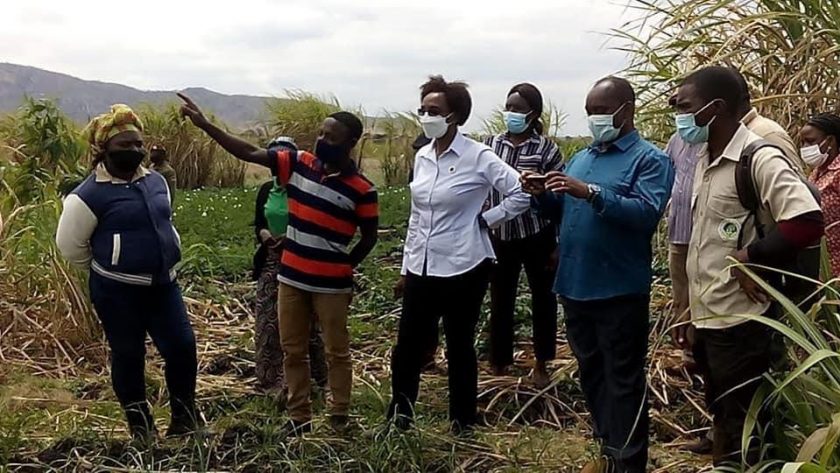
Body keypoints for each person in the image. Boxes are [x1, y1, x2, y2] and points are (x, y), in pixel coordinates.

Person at [178, 93, 378, 435]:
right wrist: (205, 125)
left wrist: (345, 265)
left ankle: (339, 416)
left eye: (331, 137)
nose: (321, 140)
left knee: (336, 351)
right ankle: (299, 416)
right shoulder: (298, 164)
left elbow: (369, 237)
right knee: (293, 350)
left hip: (331, 285)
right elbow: (247, 152)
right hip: (291, 279)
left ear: (351, 143)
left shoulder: (362, 189)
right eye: (320, 133)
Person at [522, 77, 674, 473]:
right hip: (576, 285)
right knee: (591, 373)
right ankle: (608, 449)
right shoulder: (582, 158)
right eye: (590, 111)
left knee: (623, 379)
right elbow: (562, 211)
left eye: (602, 111)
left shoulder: (649, 160)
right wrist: (542, 195)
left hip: (618, 289)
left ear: (627, 110)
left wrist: (591, 193)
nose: (595, 118)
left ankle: (629, 462)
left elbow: (645, 214)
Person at [673, 66, 823, 466]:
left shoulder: (758, 156)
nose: (678, 114)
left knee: (747, 425)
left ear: (715, 108)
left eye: (684, 106)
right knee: (723, 412)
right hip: (709, 315)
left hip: (742, 319)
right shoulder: (706, 158)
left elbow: (807, 219)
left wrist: (750, 257)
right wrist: (688, 309)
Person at [388, 76, 531, 433]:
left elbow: (522, 192)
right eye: (423, 110)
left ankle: (462, 422)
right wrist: (406, 267)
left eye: (434, 111)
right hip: (422, 264)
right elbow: (417, 216)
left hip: (464, 265)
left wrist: (488, 219)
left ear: (455, 116)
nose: (426, 117)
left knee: (459, 345)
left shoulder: (478, 156)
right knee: (407, 346)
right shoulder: (423, 156)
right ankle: (400, 418)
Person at [56, 104, 199, 441]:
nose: (134, 150)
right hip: (117, 293)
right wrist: (111, 268)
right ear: (103, 149)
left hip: (164, 286)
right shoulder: (87, 196)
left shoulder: (157, 182)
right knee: (129, 355)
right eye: (124, 145)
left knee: (182, 348)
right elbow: (71, 246)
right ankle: (140, 427)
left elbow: (165, 221)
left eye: (138, 144)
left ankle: (184, 420)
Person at [485, 83, 564, 388]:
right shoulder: (491, 145)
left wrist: (557, 243)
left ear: (533, 114)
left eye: (517, 109)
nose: (511, 113)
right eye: (508, 107)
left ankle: (542, 362)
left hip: (536, 234)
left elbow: (559, 196)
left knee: (543, 299)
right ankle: (499, 361)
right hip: (500, 235)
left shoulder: (546, 149)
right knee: (500, 298)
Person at [252, 136, 327, 399]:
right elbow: (259, 222)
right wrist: (264, 235)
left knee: (307, 323)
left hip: (302, 261)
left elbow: (317, 224)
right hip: (272, 261)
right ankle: (270, 380)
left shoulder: (307, 190)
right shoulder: (266, 190)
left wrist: (292, 237)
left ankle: (315, 379)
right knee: (269, 322)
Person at [801, 113, 840, 277]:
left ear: (830, 141)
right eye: (802, 143)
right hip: (822, 264)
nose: (804, 147)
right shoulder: (816, 173)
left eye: (810, 141)